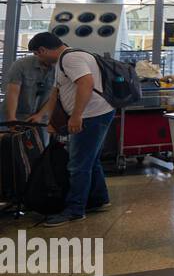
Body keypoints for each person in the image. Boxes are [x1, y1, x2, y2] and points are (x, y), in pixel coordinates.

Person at [26, 31, 116, 227]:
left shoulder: (71, 58)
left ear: (42, 50)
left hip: (91, 116)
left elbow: (86, 83)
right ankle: (99, 199)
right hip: (96, 113)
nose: (37, 58)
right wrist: (44, 116)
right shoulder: (65, 59)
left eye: (36, 54)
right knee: (90, 160)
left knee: (77, 165)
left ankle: (75, 210)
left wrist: (76, 116)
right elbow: (57, 92)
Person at [3, 49, 54, 123]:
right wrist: (11, 117)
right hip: (15, 114)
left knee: (42, 134)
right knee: (8, 133)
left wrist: (40, 115)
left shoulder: (60, 68)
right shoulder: (21, 64)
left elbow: (54, 97)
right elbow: (13, 92)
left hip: (41, 117)